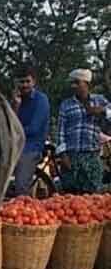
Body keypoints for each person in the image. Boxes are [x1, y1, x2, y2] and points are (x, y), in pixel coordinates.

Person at [56, 68, 110, 194]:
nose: (73, 86)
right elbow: (60, 132)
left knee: (93, 196)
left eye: (77, 82)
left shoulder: (99, 100)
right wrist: (63, 156)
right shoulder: (66, 105)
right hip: (72, 156)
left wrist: (102, 111)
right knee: (71, 197)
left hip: (92, 155)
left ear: (87, 84)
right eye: (72, 83)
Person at [9, 65, 51, 196]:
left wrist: (14, 132)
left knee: (21, 187)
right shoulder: (14, 100)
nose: (25, 85)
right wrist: (15, 106)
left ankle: (24, 208)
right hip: (14, 146)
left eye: (28, 81)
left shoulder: (41, 100)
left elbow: (34, 129)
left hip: (31, 147)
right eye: (21, 82)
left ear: (34, 82)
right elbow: (9, 123)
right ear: (16, 83)